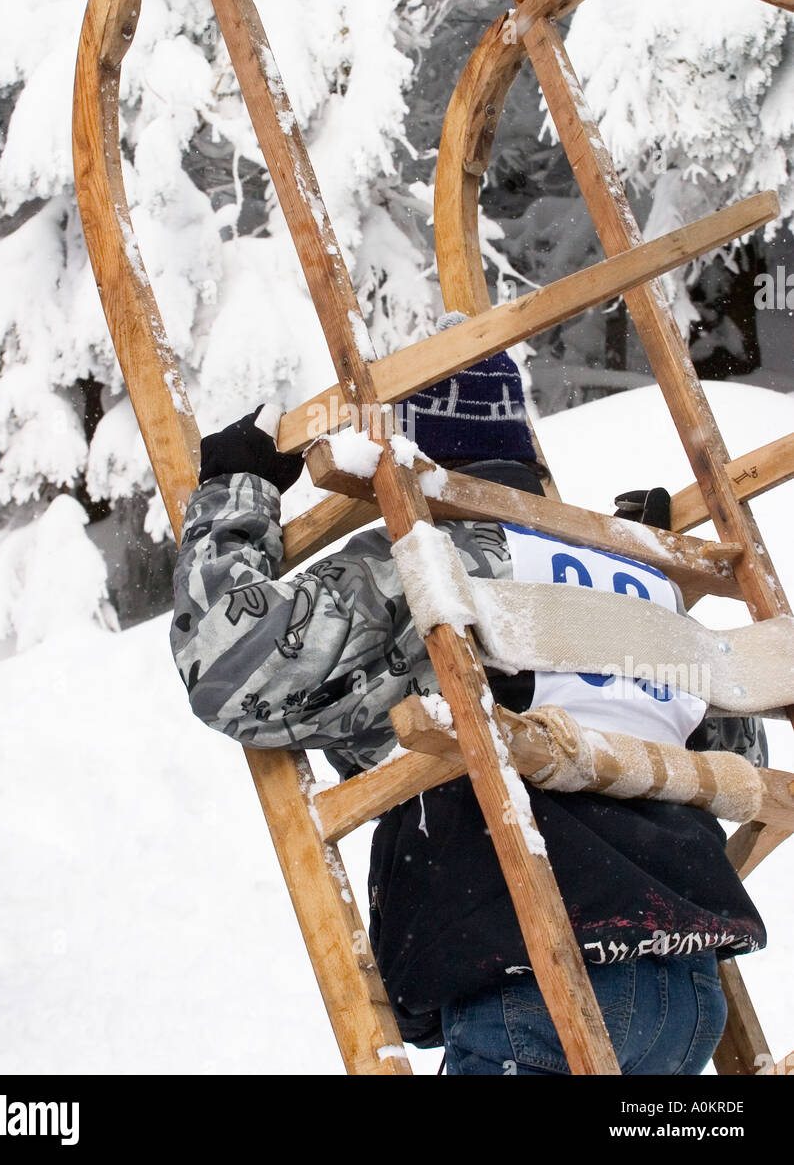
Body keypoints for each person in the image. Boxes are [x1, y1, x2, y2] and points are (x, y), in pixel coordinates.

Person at [170, 349, 767, 1075]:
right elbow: (740, 761)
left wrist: (239, 487)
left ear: (413, 452)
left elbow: (232, 665)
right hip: (688, 988)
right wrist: (656, 584)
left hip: (540, 972)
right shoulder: (637, 582)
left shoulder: (430, 559)